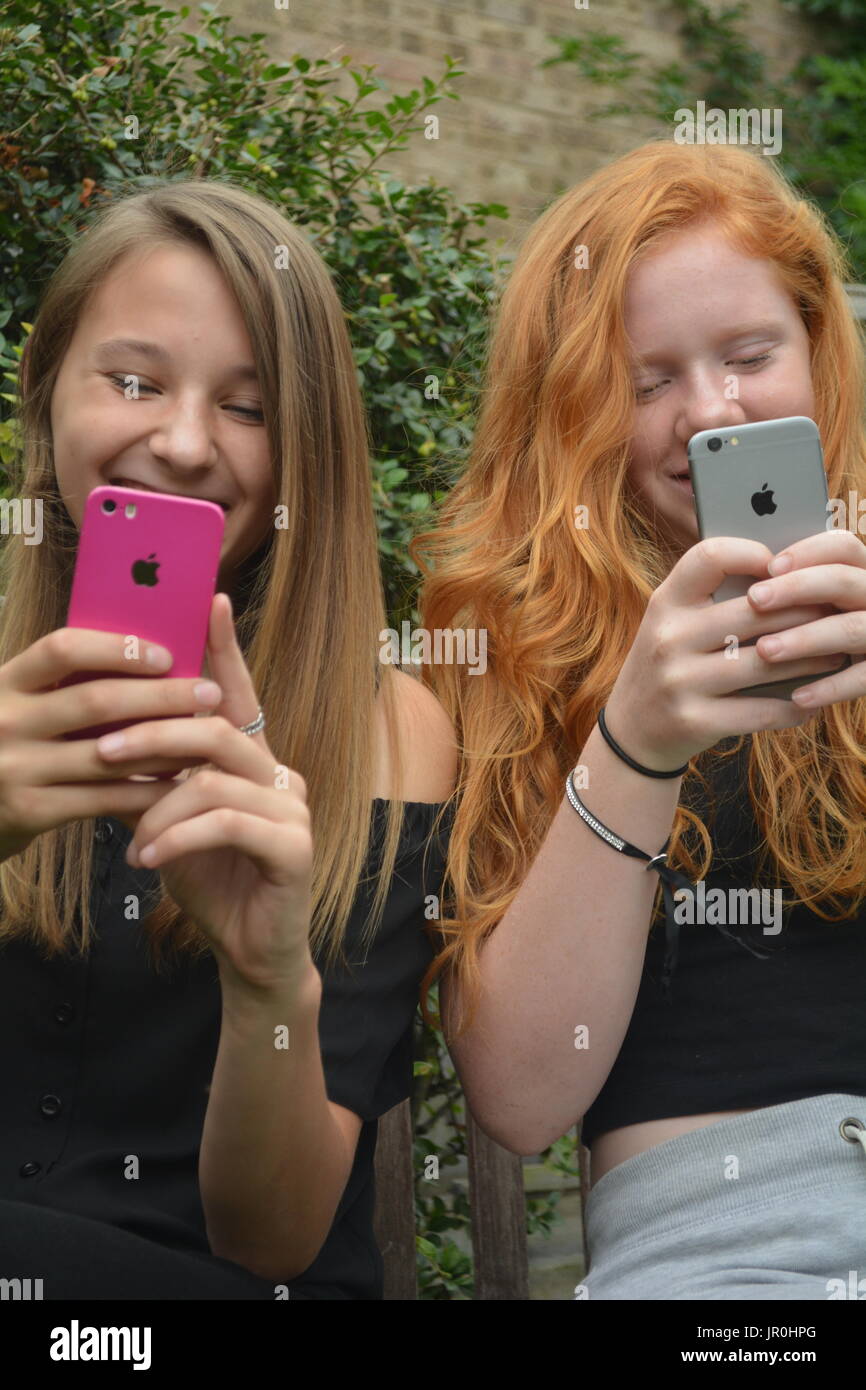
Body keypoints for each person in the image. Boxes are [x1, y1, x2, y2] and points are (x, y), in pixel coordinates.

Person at [413, 138, 866, 1300]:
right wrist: (633, 746)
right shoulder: (514, 651)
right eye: (646, 380)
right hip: (722, 1259)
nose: (708, 414)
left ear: (817, 350)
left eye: (749, 354)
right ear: (569, 404)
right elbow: (520, 1098)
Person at [0, 176, 457, 1299]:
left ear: (308, 452)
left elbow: (274, 1236)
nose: (186, 440)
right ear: (47, 387)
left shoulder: (380, 730)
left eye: (248, 408)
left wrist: (268, 983)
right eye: (133, 379)